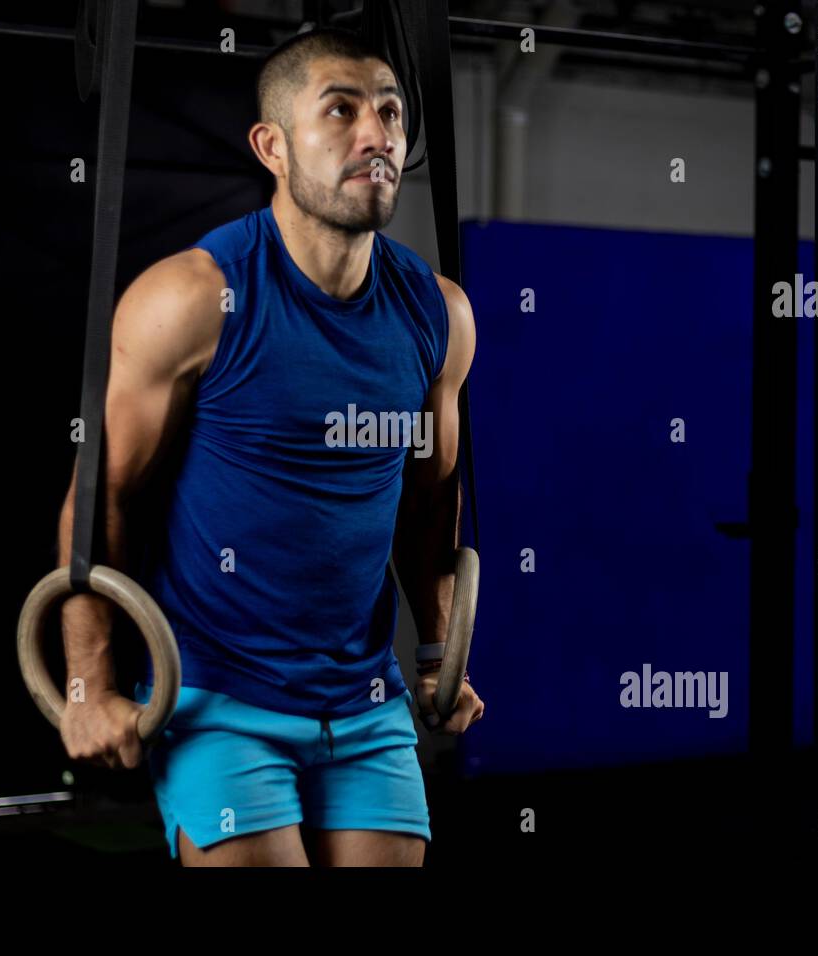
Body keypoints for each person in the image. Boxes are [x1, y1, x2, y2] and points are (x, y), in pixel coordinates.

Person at [55, 27, 483, 867]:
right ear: (272, 147)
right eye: (342, 110)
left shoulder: (441, 313)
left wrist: (439, 647)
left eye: (391, 113)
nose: (378, 135)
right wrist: (90, 685)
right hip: (218, 698)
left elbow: (431, 500)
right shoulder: (192, 297)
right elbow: (98, 496)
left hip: (365, 701)